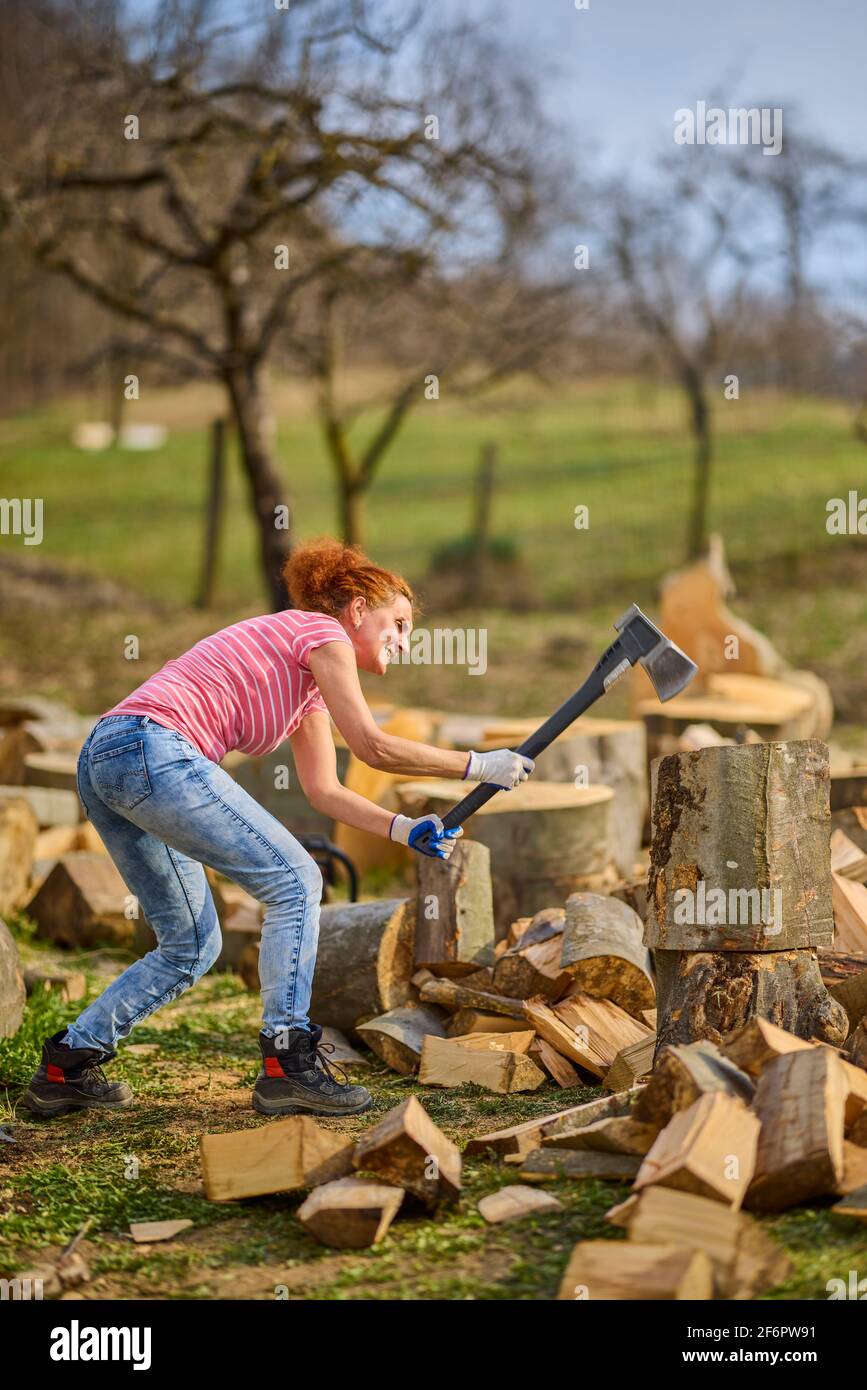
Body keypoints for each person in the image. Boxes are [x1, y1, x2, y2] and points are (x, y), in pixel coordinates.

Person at [24, 539, 534, 1119]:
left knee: (193, 943)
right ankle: (287, 1062)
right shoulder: (324, 636)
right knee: (295, 880)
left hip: (109, 758)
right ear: (358, 608)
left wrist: (402, 829)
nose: (403, 639)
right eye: (398, 622)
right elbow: (373, 746)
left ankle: (67, 1062)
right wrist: (478, 763)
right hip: (151, 748)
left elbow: (326, 790)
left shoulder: (308, 677)